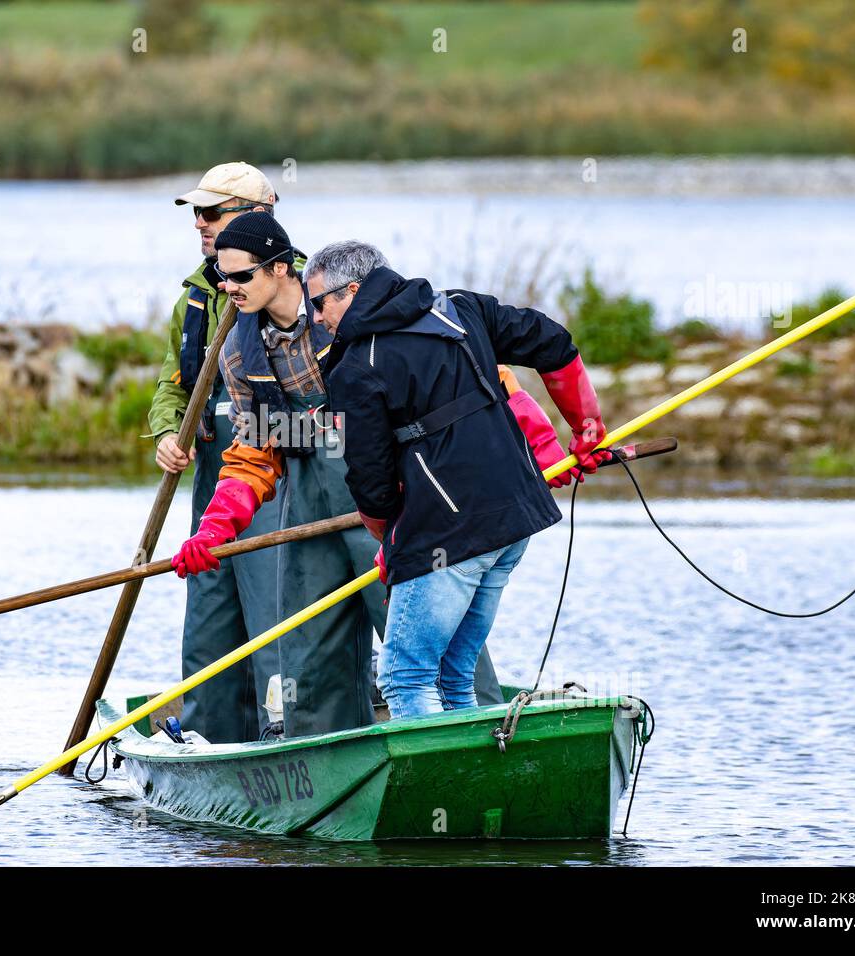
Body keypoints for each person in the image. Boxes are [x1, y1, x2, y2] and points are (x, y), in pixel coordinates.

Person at [309, 240, 610, 719]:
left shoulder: (356, 366)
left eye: (319, 302)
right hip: (515, 522)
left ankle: (436, 792)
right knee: (453, 673)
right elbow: (552, 341)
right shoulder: (460, 308)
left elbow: (370, 479)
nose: (317, 317)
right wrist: (587, 427)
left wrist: (391, 542)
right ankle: (470, 783)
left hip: (449, 536)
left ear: (353, 291)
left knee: (404, 676)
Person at [168, 212, 395, 738]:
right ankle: (322, 759)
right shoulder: (238, 351)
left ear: (280, 269)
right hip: (307, 504)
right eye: (222, 278)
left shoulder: (341, 315)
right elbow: (253, 450)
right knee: (309, 652)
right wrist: (215, 527)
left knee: (415, 633)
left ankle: (470, 736)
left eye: (241, 277)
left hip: (382, 502)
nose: (230, 289)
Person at [146, 162, 282, 743]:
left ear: (255, 217)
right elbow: (173, 382)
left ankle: (285, 732)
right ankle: (209, 741)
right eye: (196, 213)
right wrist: (167, 433)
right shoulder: (196, 297)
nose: (199, 223)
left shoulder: (289, 284)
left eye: (212, 212)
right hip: (210, 478)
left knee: (273, 606)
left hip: (275, 479)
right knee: (208, 607)